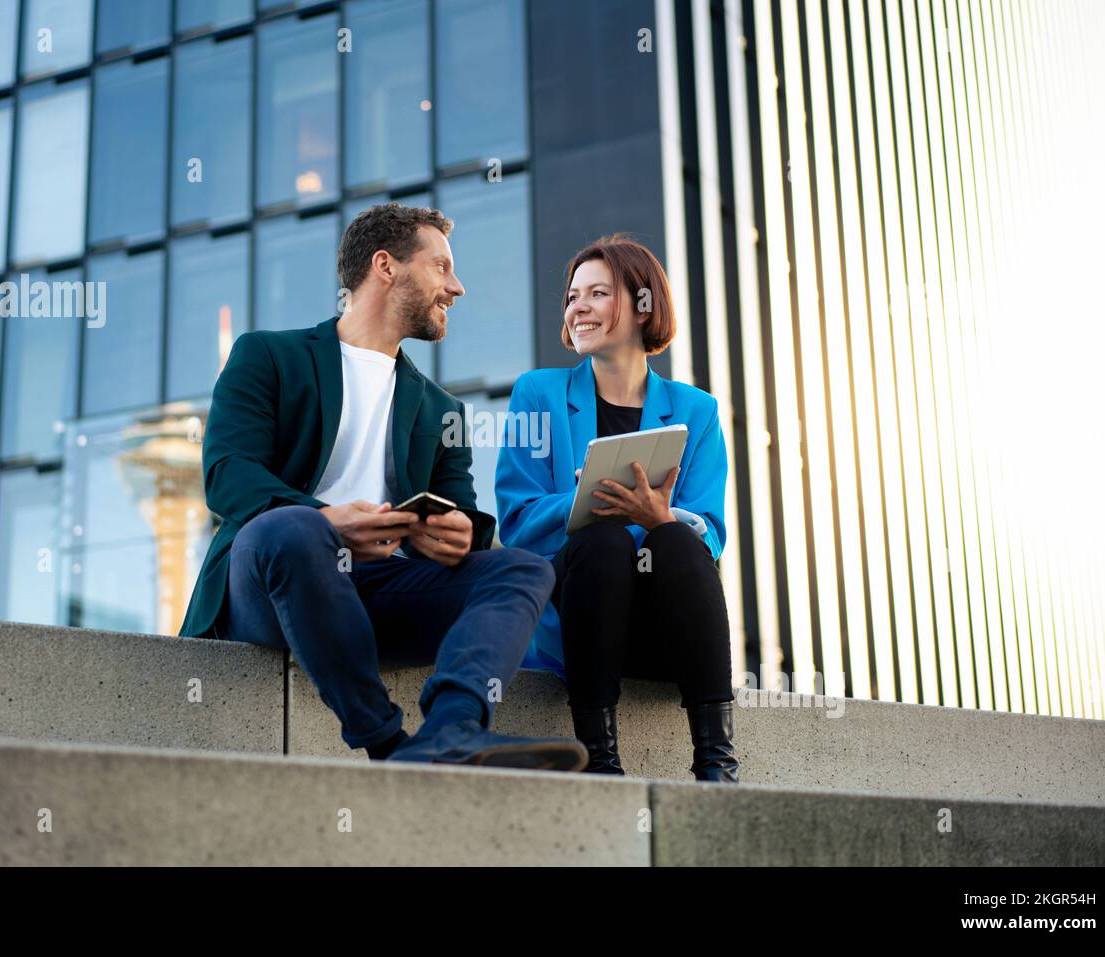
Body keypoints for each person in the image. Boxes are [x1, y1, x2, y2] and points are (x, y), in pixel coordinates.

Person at [179, 202, 586, 772]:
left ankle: (453, 728)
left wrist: (456, 535)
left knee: (522, 568)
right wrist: (327, 521)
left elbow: (461, 514)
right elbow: (229, 477)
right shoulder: (268, 355)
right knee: (295, 527)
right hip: (272, 581)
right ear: (385, 266)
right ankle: (389, 742)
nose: (457, 287)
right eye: (441, 267)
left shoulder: (441, 409)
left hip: (383, 594)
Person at [494, 233, 738, 782]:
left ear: (642, 303)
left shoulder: (696, 410)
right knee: (601, 539)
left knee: (677, 538)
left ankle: (717, 763)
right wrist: (580, 504)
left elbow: (712, 531)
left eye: (597, 293)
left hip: (658, 626)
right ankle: (600, 760)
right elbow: (515, 522)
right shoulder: (538, 393)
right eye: (573, 296)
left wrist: (660, 517)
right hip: (578, 619)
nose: (578, 307)